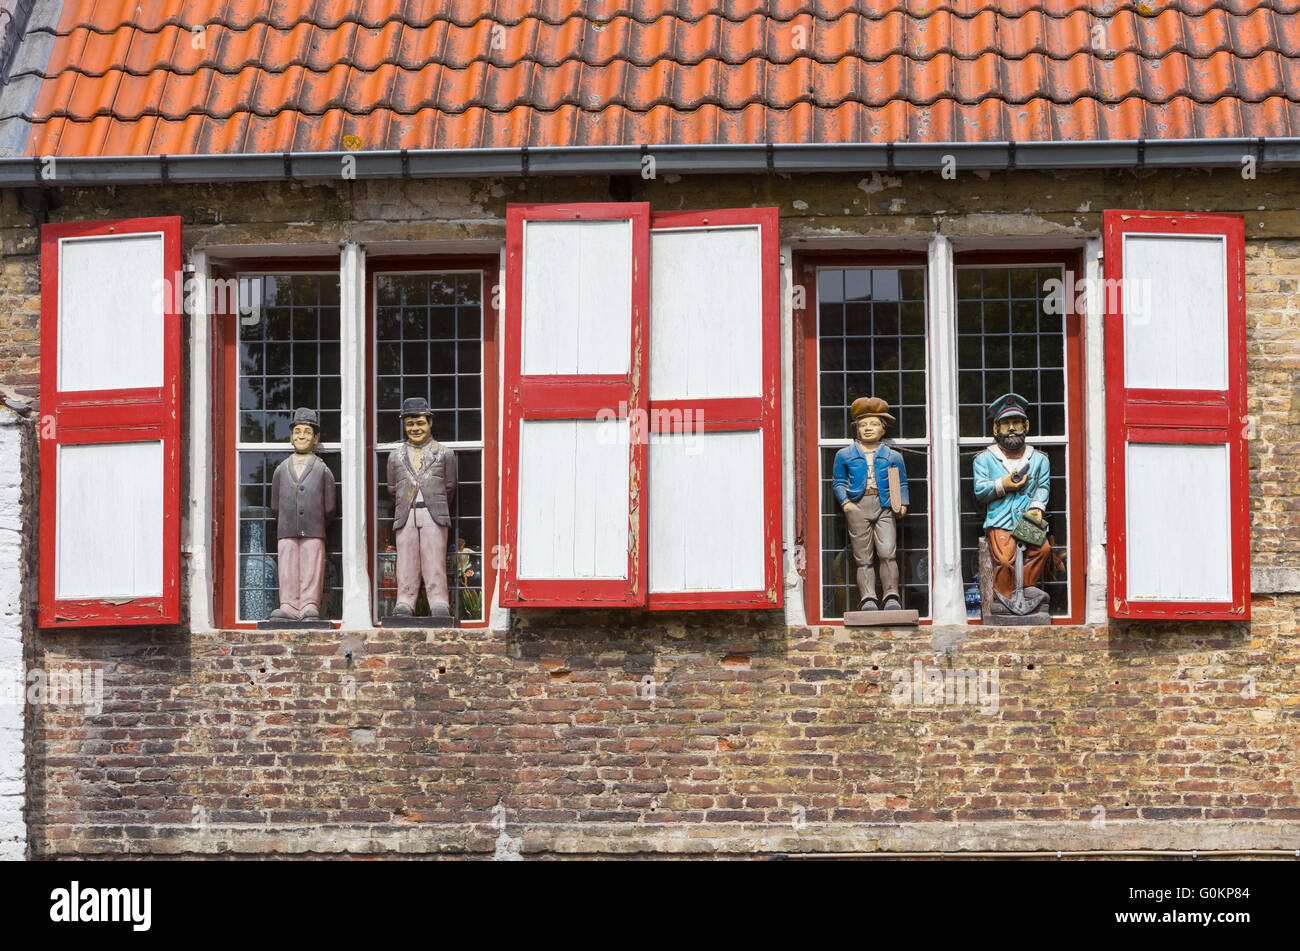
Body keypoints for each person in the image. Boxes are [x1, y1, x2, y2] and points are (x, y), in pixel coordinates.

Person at [971, 392, 1053, 614]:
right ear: (997, 429)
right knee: (1005, 560)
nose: (1012, 428)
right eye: (1006, 424)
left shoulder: (1039, 459)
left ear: (1026, 425)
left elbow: (1043, 486)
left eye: (1017, 422)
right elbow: (980, 490)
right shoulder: (984, 459)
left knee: (1042, 549)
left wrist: (1037, 507)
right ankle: (1003, 597)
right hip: (1001, 518)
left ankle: (1026, 586)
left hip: (1028, 516)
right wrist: (1004, 484)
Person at [833, 397, 909, 611]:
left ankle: (891, 595)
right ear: (856, 428)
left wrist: (902, 503)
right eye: (863, 424)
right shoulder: (844, 455)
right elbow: (839, 481)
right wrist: (846, 503)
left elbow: (901, 481)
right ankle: (868, 597)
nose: (868, 429)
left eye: (874, 424)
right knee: (863, 557)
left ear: (883, 429)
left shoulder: (893, 456)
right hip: (858, 504)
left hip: (884, 504)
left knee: (887, 552)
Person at [386, 397, 457, 617]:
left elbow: (450, 487)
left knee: (434, 559)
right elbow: (391, 488)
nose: (415, 428)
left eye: (419, 423)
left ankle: (439, 602)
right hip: (406, 513)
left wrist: (433, 505)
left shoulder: (445, 453)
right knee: (406, 560)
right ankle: (405, 601)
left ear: (429, 422)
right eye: (410, 424)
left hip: (432, 513)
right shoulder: (394, 456)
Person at [269, 408, 336, 620]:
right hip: (287, 527)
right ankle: (288, 604)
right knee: (287, 564)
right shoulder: (281, 468)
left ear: (315, 438)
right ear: (291, 437)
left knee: (311, 565)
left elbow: (329, 506)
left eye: (307, 432)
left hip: (314, 527)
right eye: (297, 431)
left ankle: (309, 604)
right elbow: (275, 504)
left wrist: (319, 522)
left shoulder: (322, 469)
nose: (301, 436)